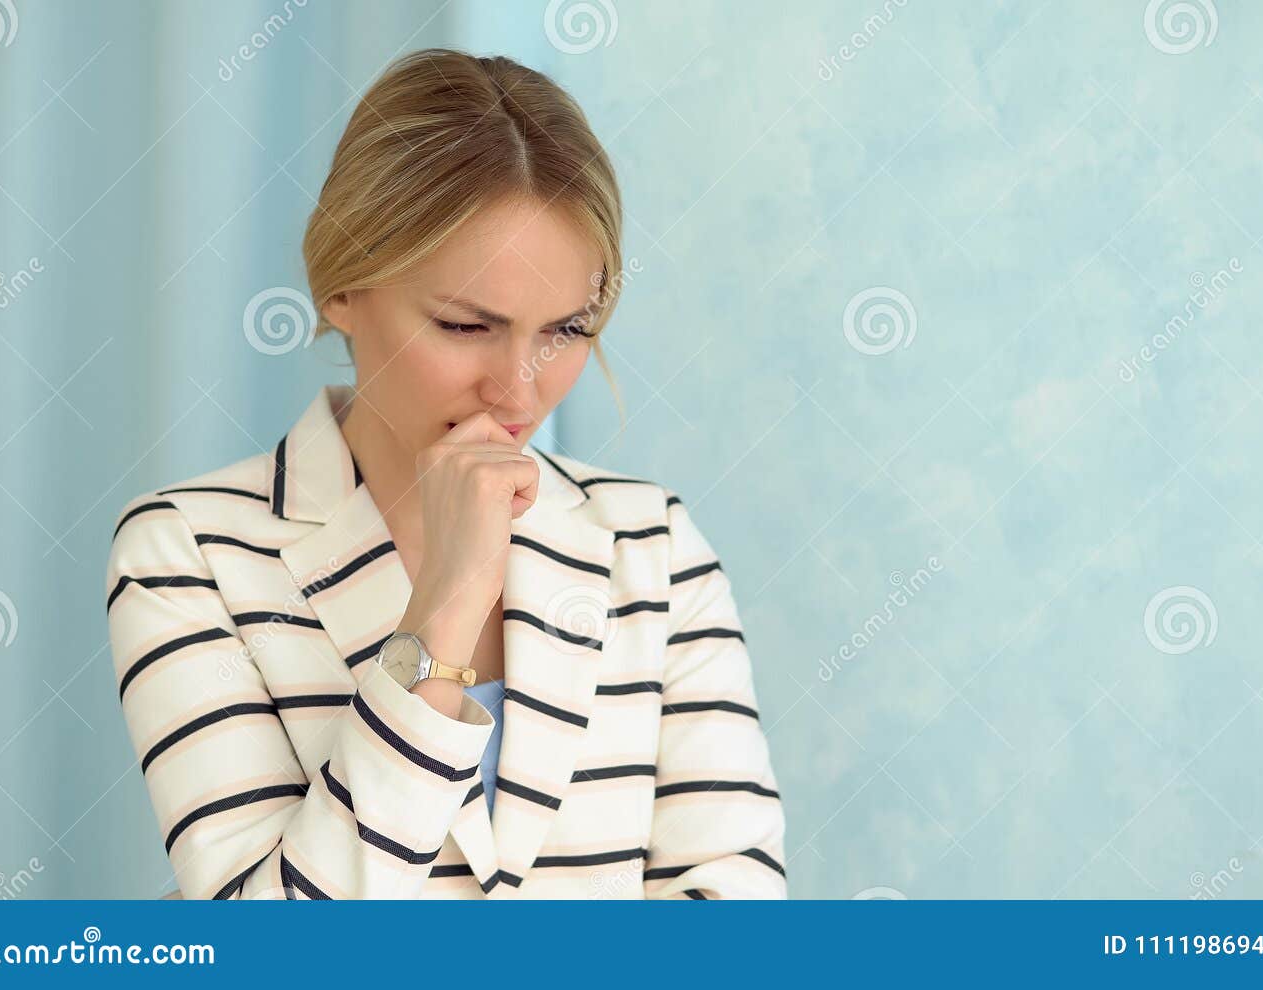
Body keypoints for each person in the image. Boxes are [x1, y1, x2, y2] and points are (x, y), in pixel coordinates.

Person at [105, 48, 786, 900]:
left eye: (568, 329)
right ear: (341, 287)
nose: (518, 389)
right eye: (466, 326)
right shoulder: (189, 553)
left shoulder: (653, 547)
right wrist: (448, 604)